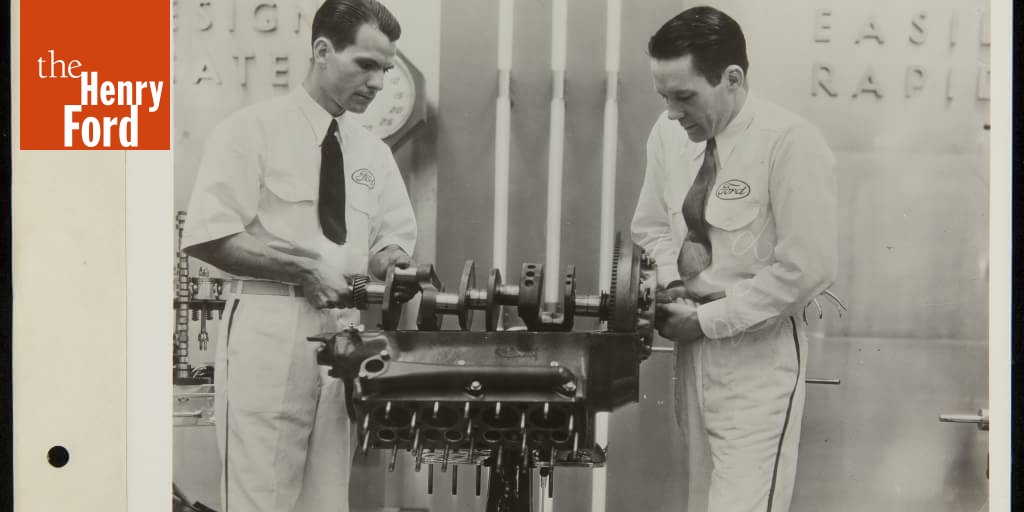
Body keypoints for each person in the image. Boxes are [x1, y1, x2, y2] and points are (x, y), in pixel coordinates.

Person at [181, 1, 417, 510]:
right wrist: (303, 267)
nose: (376, 84)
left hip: (346, 337)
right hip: (269, 326)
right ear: (322, 51)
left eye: (386, 70)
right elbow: (207, 235)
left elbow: (389, 241)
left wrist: (394, 264)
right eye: (366, 65)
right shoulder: (250, 131)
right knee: (261, 496)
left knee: (328, 498)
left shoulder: (373, 153)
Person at [631, 6, 838, 512]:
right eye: (664, 97)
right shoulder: (668, 135)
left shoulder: (790, 142)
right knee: (702, 502)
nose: (673, 112)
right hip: (691, 354)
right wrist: (672, 288)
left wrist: (707, 318)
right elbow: (651, 227)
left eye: (684, 96)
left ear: (732, 79)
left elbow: (807, 267)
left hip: (756, 356)